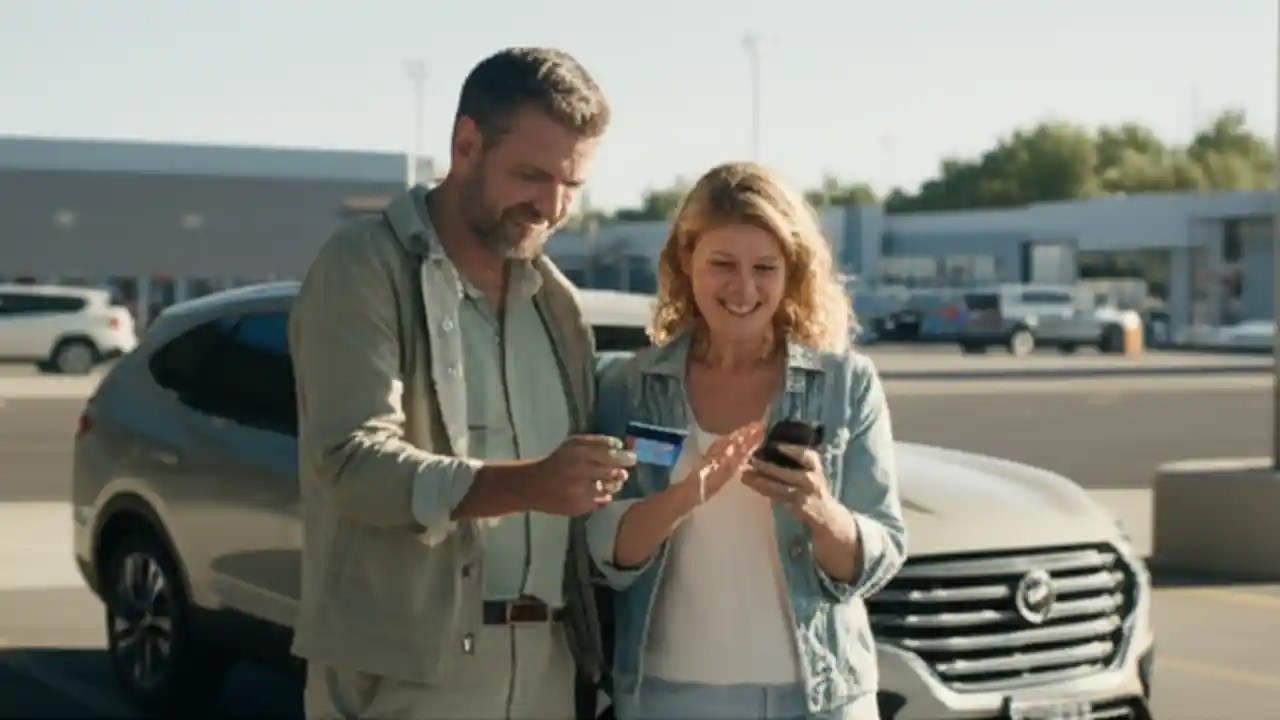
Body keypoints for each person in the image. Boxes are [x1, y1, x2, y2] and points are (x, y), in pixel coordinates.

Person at [288, 47, 636, 720]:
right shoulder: (363, 267)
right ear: (466, 143)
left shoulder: (556, 304)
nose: (553, 207)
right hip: (408, 672)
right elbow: (350, 460)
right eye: (533, 175)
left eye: (574, 186)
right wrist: (527, 484)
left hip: (548, 672)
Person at [587, 161, 908, 720]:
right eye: (722, 264)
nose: (744, 288)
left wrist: (819, 508)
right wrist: (686, 493)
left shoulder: (844, 383)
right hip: (671, 695)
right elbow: (603, 552)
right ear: (687, 262)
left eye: (765, 267)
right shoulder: (628, 386)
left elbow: (878, 556)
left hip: (822, 698)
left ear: (792, 273)